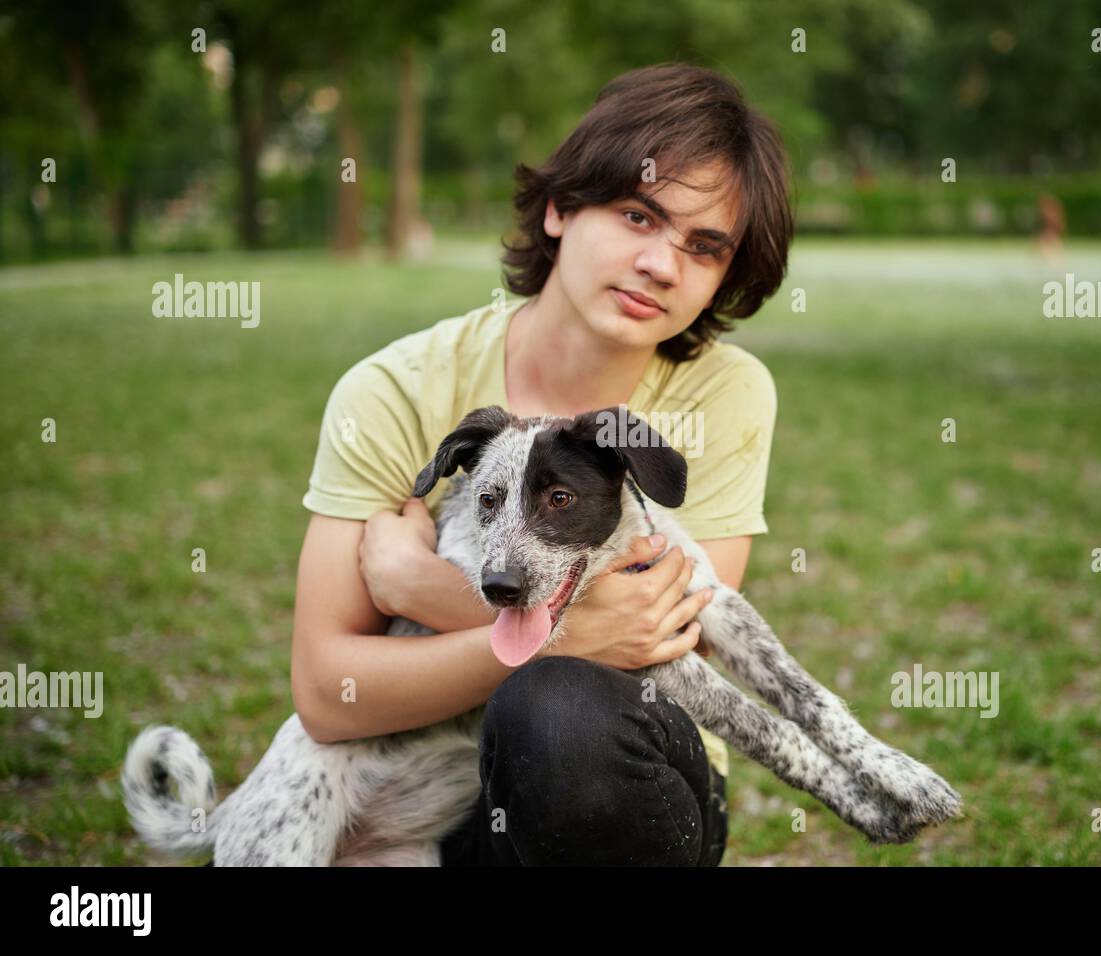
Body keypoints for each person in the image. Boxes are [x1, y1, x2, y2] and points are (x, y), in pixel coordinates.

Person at [291, 62, 794, 866]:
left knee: (556, 707)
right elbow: (327, 692)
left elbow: (661, 639)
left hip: (619, 781)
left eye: (703, 248)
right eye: (638, 216)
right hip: (413, 795)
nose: (662, 265)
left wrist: (424, 589)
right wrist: (573, 628)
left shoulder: (726, 394)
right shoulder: (394, 389)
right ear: (560, 207)